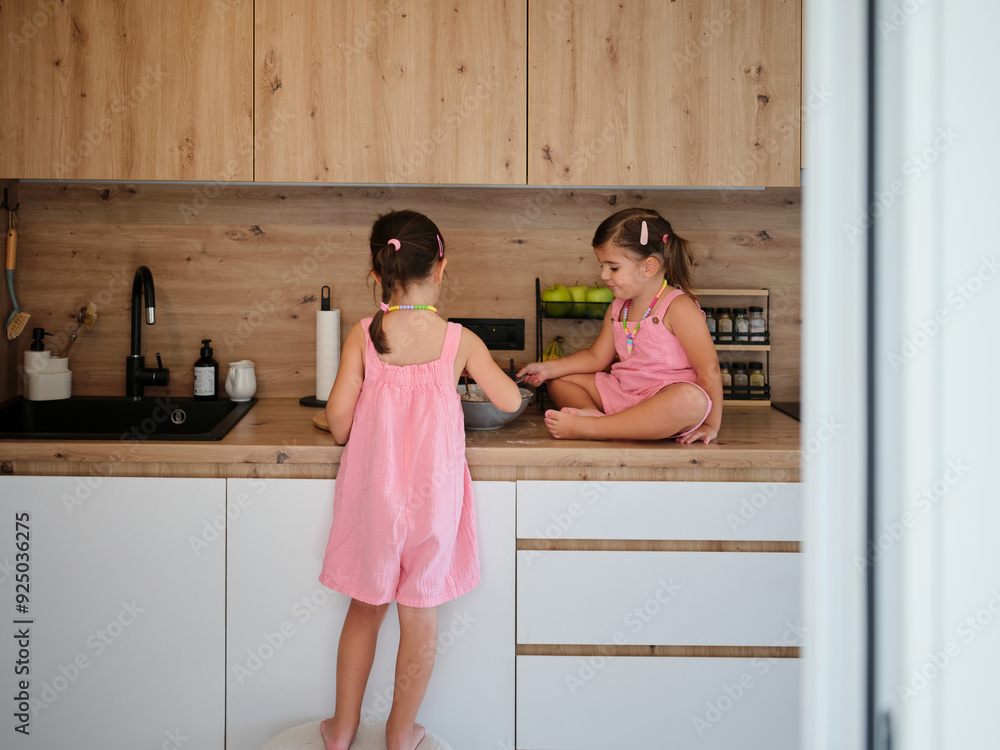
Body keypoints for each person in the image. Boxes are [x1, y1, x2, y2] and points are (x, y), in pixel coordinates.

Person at [318, 209, 522, 750]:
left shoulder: (363, 336)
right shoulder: (458, 340)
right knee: (420, 617)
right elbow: (508, 400)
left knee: (365, 610)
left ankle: (341, 731)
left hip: (375, 503)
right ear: (441, 267)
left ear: (377, 271)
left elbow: (339, 424)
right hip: (433, 505)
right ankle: (400, 732)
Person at [518, 207, 722, 444]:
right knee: (561, 380)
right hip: (622, 392)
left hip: (663, 400)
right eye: (602, 266)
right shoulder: (618, 308)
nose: (604, 275)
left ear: (649, 267)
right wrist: (548, 369)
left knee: (690, 400)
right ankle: (594, 417)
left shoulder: (678, 307)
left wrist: (710, 424)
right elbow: (596, 357)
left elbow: (708, 369)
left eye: (613, 267)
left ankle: (595, 428)